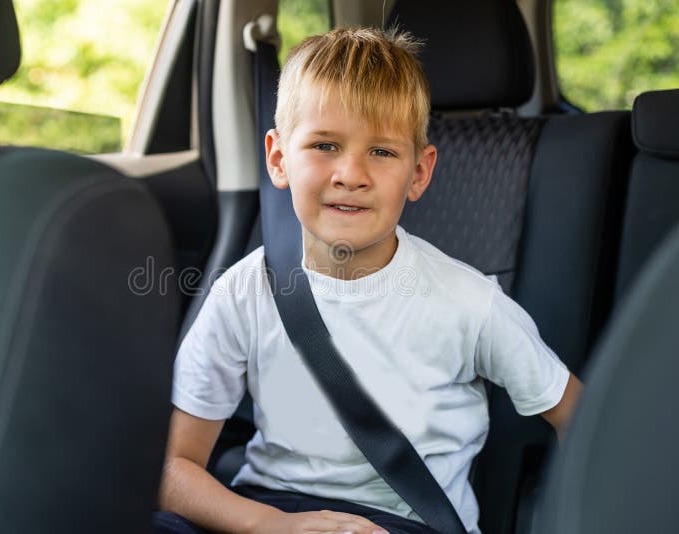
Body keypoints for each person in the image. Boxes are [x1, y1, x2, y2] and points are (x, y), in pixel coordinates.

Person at [153, 27, 583, 534]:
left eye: (381, 152)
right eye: (325, 145)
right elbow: (172, 471)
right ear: (278, 159)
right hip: (267, 512)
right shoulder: (244, 292)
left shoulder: (468, 302)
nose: (351, 173)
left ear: (419, 173)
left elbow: (579, 416)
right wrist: (267, 524)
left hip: (407, 520)